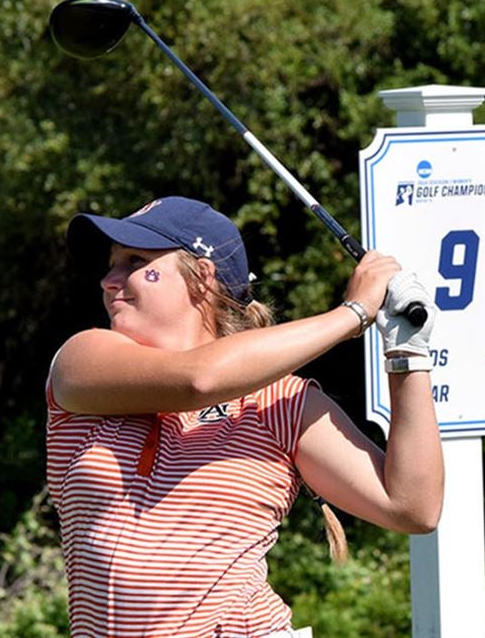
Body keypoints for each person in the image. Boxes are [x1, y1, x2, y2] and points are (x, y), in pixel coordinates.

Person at [46, 196, 443, 637]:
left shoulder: (281, 402)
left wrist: (407, 352)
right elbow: (199, 378)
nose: (108, 280)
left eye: (134, 261)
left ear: (202, 278)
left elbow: (412, 508)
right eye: (111, 263)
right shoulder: (83, 360)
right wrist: (351, 314)